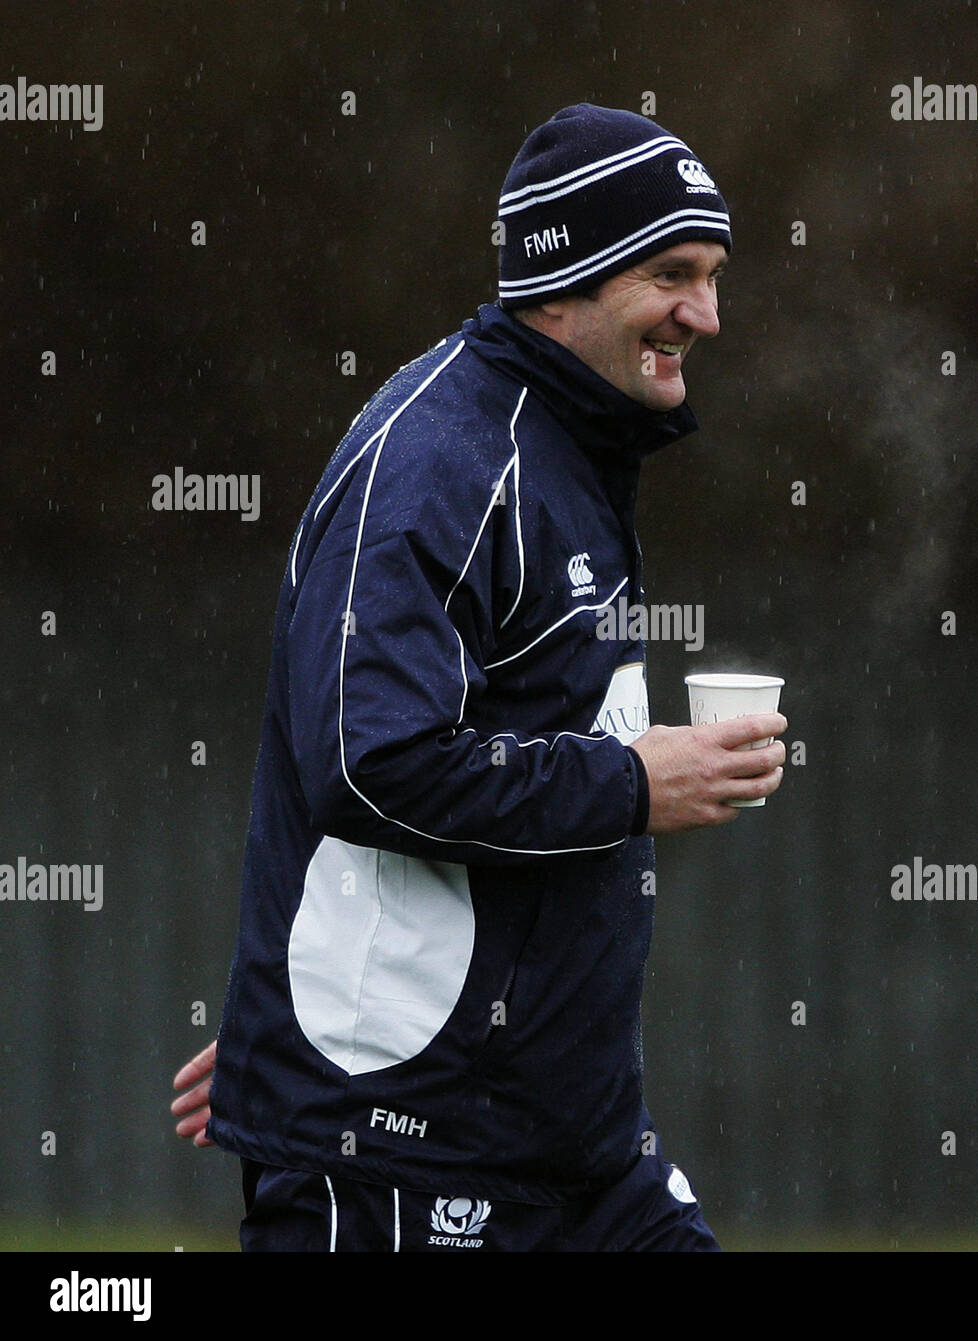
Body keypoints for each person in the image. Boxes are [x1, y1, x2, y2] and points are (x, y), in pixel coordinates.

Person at [171, 103, 786, 1252]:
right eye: (674, 274)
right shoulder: (438, 463)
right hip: (406, 1149)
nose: (707, 314)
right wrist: (631, 785)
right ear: (570, 278)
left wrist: (284, 1029)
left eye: (712, 275)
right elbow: (371, 761)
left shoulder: (567, 446)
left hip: (568, 1144)